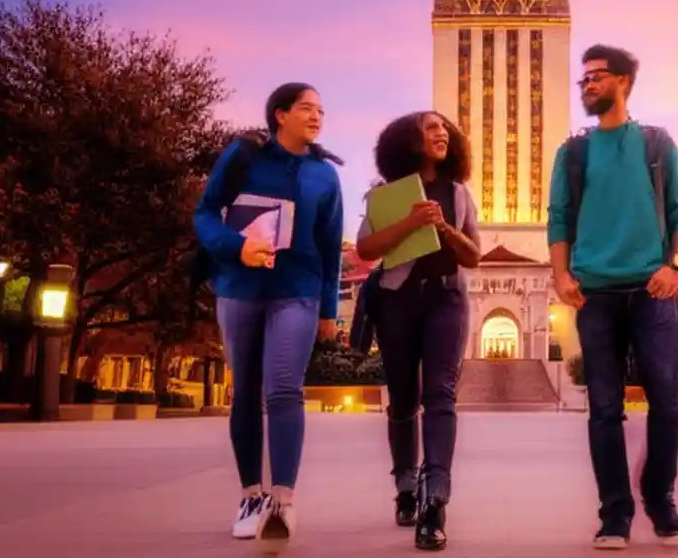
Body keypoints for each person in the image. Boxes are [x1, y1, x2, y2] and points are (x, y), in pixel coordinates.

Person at [547, 45, 678, 549]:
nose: (588, 84)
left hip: (652, 291)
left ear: (624, 82)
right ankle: (615, 513)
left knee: (667, 404)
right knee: (605, 408)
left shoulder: (656, 144)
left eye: (597, 76)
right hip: (595, 296)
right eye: (584, 79)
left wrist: (674, 265)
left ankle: (659, 495)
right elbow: (559, 218)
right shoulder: (573, 153)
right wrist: (561, 275)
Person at [193, 82, 345, 544]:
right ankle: (250, 495)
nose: (316, 117)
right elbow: (205, 213)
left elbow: (330, 247)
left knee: (284, 389)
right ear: (280, 114)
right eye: (306, 108)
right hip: (240, 288)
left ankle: (283, 499)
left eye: (321, 110)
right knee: (246, 391)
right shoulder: (244, 157)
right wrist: (236, 247)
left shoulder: (324, 175)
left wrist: (329, 310)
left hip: (297, 292)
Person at [355, 110, 481, 551]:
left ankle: (435, 500)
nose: (441, 133)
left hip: (446, 299)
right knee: (404, 398)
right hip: (398, 301)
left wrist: (443, 227)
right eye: (431, 128)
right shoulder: (386, 193)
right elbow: (365, 249)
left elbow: (473, 255)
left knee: (441, 394)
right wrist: (409, 222)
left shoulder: (459, 194)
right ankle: (406, 485)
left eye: (444, 128)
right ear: (409, 141)